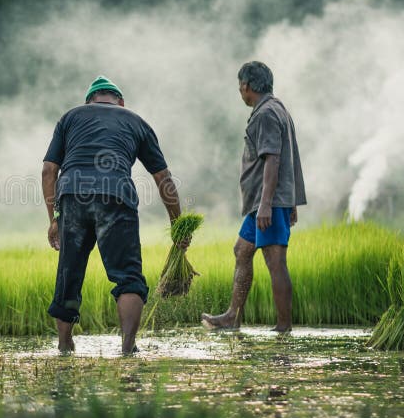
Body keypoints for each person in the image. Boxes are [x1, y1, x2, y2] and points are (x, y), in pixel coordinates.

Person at [42, 76, 188, 355]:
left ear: (89, 102)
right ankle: (127, 348)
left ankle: (64, 345)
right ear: (120, 102)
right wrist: (177, 223)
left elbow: (49, 171)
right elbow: (163, 177)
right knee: (128, 277)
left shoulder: (70, 117)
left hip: (72, 196)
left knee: (68, 273)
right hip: (116, 196)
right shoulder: (136, 121)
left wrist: (54, 218)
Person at [201, 61, 306, 333]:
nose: (240, 91)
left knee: (275, 261)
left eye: (240, 86)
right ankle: (232, 317)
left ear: (246, 86)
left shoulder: (266, 114)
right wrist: (287, 200)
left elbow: (273, 159)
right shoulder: (276, 109)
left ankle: (284, 327)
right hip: (263, 203)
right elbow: (286, 157)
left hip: (266, 203)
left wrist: (268, 204)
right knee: (242, 251)